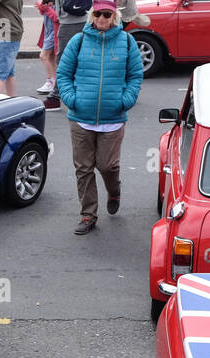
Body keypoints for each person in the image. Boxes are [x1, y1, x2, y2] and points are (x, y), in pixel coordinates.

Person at [55, 0, 142, 235]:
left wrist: (126, 100)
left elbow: (135, 75)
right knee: (83, 168)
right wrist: (72, 99)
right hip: (80, 117)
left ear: (114, 17)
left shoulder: (126, 41)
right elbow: (63, 73)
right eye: (98, 14)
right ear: (92, 16)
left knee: (107, 166)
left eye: (107, 14)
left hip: (113, 118)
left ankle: (114, 191)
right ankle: (88, 214)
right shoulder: (79, 41)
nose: (102, 18)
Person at [35, 0, 58, 96]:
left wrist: (46, 8)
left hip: (54, 31)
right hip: (48, 31)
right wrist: (41, 7)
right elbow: (43, 13)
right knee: (50, 57)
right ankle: (56, 82)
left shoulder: (58, 3)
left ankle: (50, 81)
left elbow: (57, 18)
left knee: (43, 56)